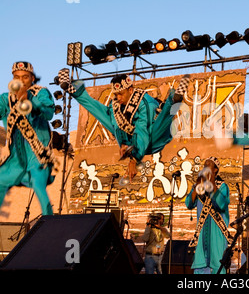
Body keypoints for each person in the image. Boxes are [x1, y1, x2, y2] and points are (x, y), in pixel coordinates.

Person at [57, 70, 190, 179]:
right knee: (103, 113)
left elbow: (142, 132)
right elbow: (117, 126)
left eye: (121, 94)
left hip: (153, 137)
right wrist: (123, 145)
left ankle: (173, 100)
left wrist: (133, 160)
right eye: (116, 94)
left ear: (130, 90)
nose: (118, 98)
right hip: (134, 139)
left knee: (160, 125)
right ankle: (75, 90)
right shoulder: (116, 104)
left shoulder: (145, 103)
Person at [0, 62, 56, 216]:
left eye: (25, 77)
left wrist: (30, 102)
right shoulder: (6, 99)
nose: (21, 80)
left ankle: (49, 223)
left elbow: (49, 113)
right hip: (14, 159)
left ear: (32, 78)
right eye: (17, 77)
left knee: (38, 186)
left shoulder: (40, 93)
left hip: (37, 156)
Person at [185, 156, 231, 274]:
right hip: (202, 234)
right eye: (205, 164)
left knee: (218, 265)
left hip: (217, 234)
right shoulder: (199, 185)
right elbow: (189, 204)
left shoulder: (222, 186)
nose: (206, 165)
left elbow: (221, 205)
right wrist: (196, 186)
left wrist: (212, 185)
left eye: (209, 163)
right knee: (201, 265)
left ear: (215, 169)